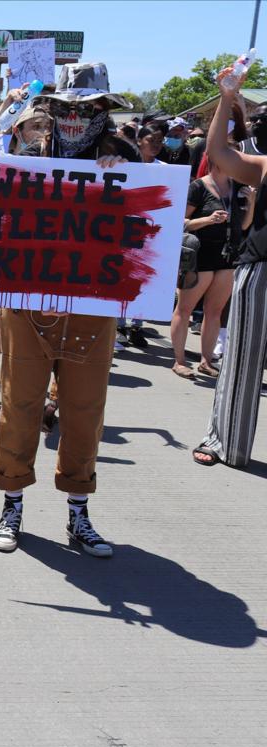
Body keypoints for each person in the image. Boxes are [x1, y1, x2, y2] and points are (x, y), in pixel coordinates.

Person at [0, 62, 137, 558]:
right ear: (51, 110)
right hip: (30, 306)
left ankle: (78, 513)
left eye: (89, 109)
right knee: (20, 406)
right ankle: (12, 504)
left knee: (85, 411)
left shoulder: (128, 160)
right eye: (67, 109)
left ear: (103, 112)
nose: (76, 119)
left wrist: (122, 186)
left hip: (93, 309)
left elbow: (147, 232)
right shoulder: (26, 156)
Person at [192, 66, 267, 470]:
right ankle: (226, 443)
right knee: (241, 359)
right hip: (261, 269)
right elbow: (218, 151)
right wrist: (226, 99)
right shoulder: (265, 164)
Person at [0, 94, 53, 414]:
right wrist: (5, 107)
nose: (42, 131)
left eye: (47, 125)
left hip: (46, 259)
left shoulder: (62, 161)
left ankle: (37, 395)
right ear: (18, 130)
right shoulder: (7, 160)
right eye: (35, 125)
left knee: (41, 329)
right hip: (7, 254)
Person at [172, 157, 245, 378]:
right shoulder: (198, 187)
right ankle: (179, 361)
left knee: (215, 312)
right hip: (199, 255)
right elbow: (179, 220)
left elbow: (244, 226)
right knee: (185, 309)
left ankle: (206, 360)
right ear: (215, 160)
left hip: (227, 255)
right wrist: (208, 220)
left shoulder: (238, 188)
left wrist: (249, 206)